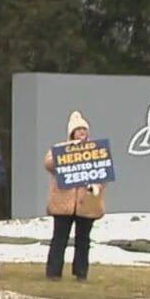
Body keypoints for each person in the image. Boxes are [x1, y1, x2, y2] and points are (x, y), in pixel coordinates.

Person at [44, 111, 106, 282]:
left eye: (83, 130)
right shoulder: (59, 149)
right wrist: (65, 155)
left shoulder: (96, 151)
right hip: (63, 203)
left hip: (86, 204)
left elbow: (103, 171)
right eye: (78, 130)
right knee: (59, 239)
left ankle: (81, 273)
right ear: (71, 133)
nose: (81, 133)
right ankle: (54, 272)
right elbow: (48, 163)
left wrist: (96, 186)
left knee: (83, 240)